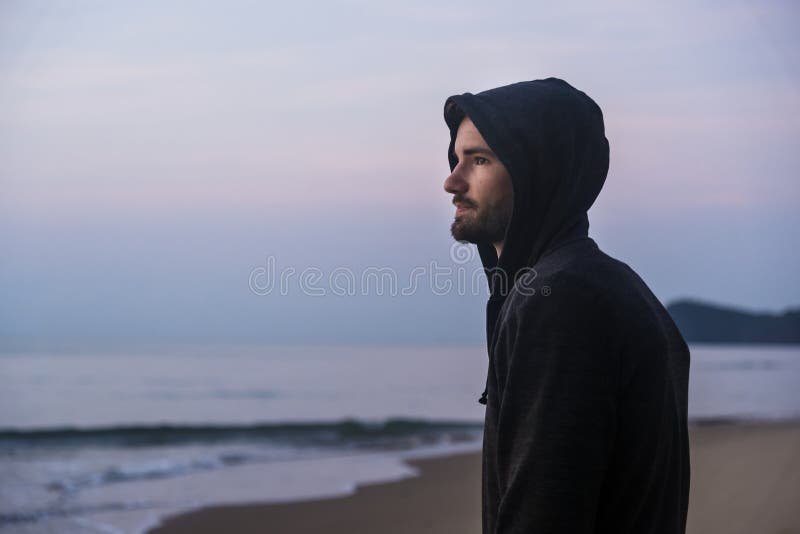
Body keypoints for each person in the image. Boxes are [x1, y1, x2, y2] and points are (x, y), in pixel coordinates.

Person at [442, 77, 691, 533]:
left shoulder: (560, 302)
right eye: (457, 158)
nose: (451, 181)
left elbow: (547, 509)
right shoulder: (612, 286)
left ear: (538, 171)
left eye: (479, 160)